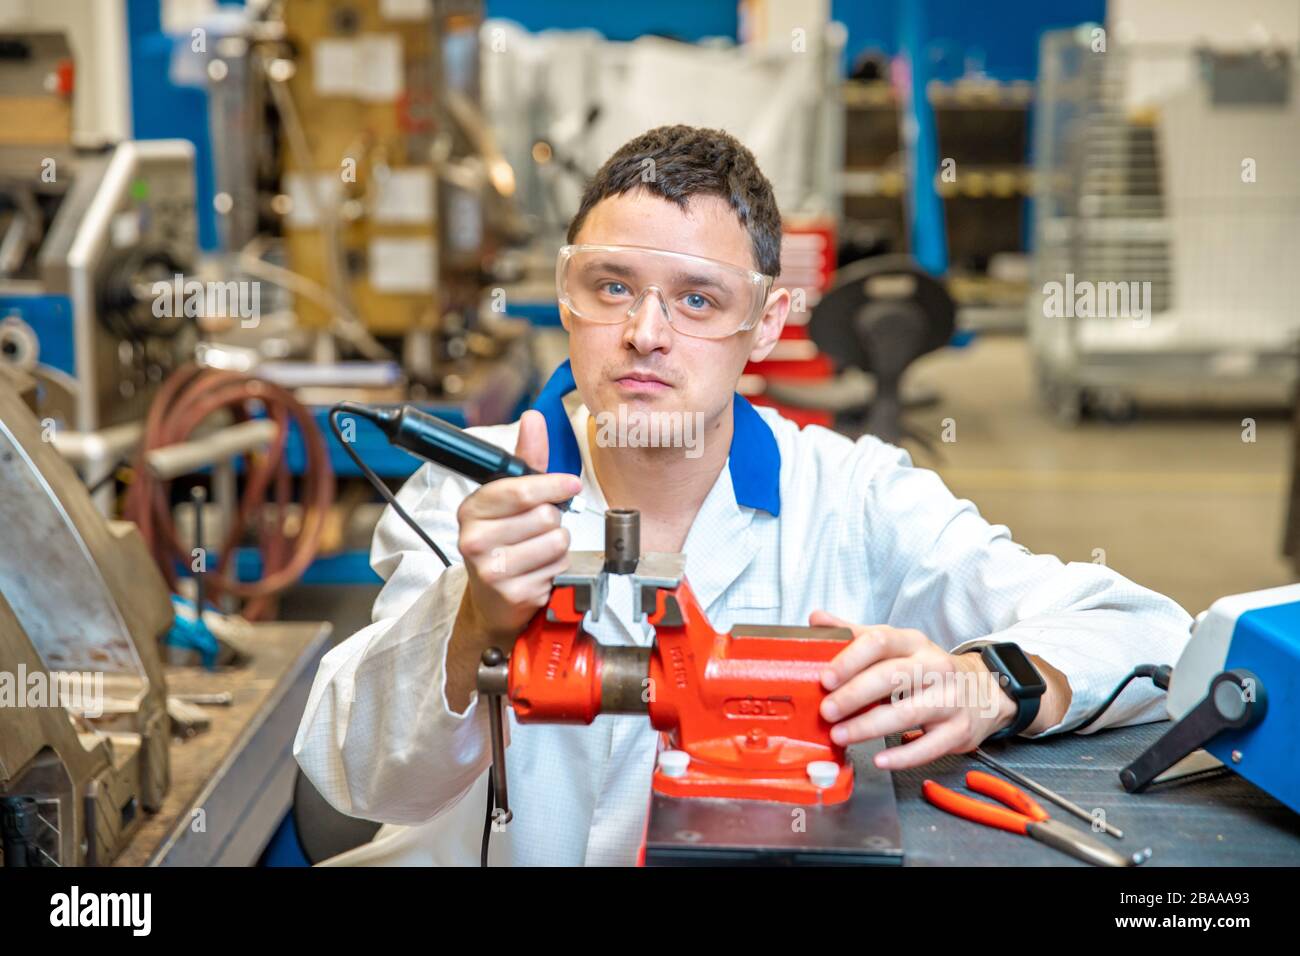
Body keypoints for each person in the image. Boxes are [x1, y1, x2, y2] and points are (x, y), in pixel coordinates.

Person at [293, 124, 1192, 866]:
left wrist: (984, 681)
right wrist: (471, 621)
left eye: (696, 299)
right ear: (566, 298)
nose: (645, 334)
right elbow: (357, 777)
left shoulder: (853, 497)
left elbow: (1156, 634)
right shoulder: (471, 487)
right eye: (613, 288)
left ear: (764, 322)